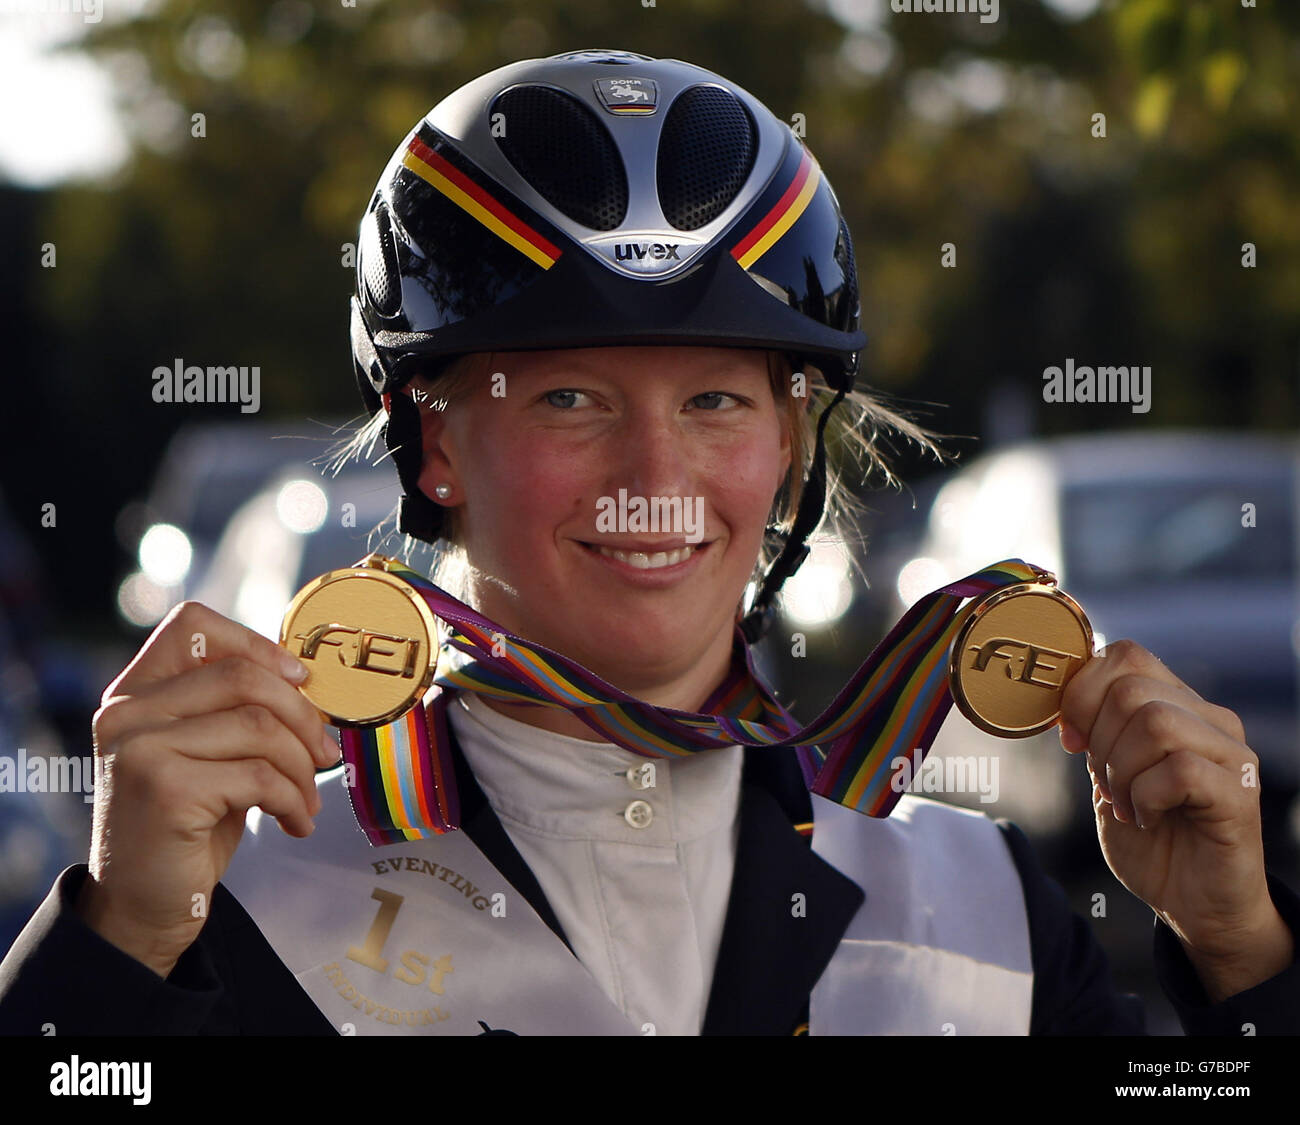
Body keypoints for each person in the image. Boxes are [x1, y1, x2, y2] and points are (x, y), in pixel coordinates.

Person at [1, 49, 1297, 1037]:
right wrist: (110, 941)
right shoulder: (248, 898)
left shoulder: (988, 909)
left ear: (789, 445)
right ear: (435, 444)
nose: (655, 473)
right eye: (570, 396)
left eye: (717, 399)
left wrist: (1238, 945)